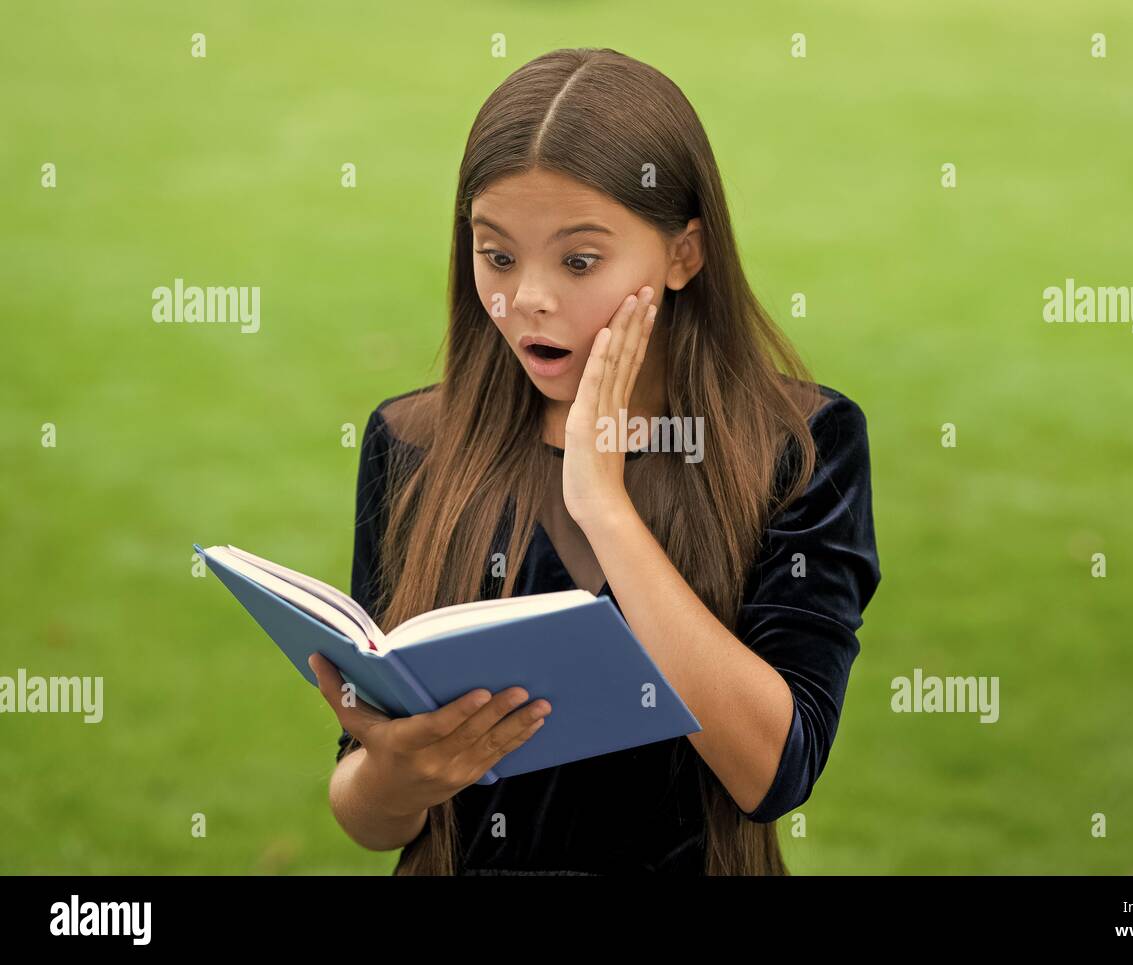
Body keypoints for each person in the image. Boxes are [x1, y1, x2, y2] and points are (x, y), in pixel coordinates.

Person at [306, 46, 882, 875]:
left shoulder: (795, 446)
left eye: (579, 261)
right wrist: (396, 773)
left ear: (685, 254)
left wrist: (605, 506)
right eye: (496, 255)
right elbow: (370, 816)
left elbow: (776, 768)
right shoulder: (414, 442)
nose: (528, 297)